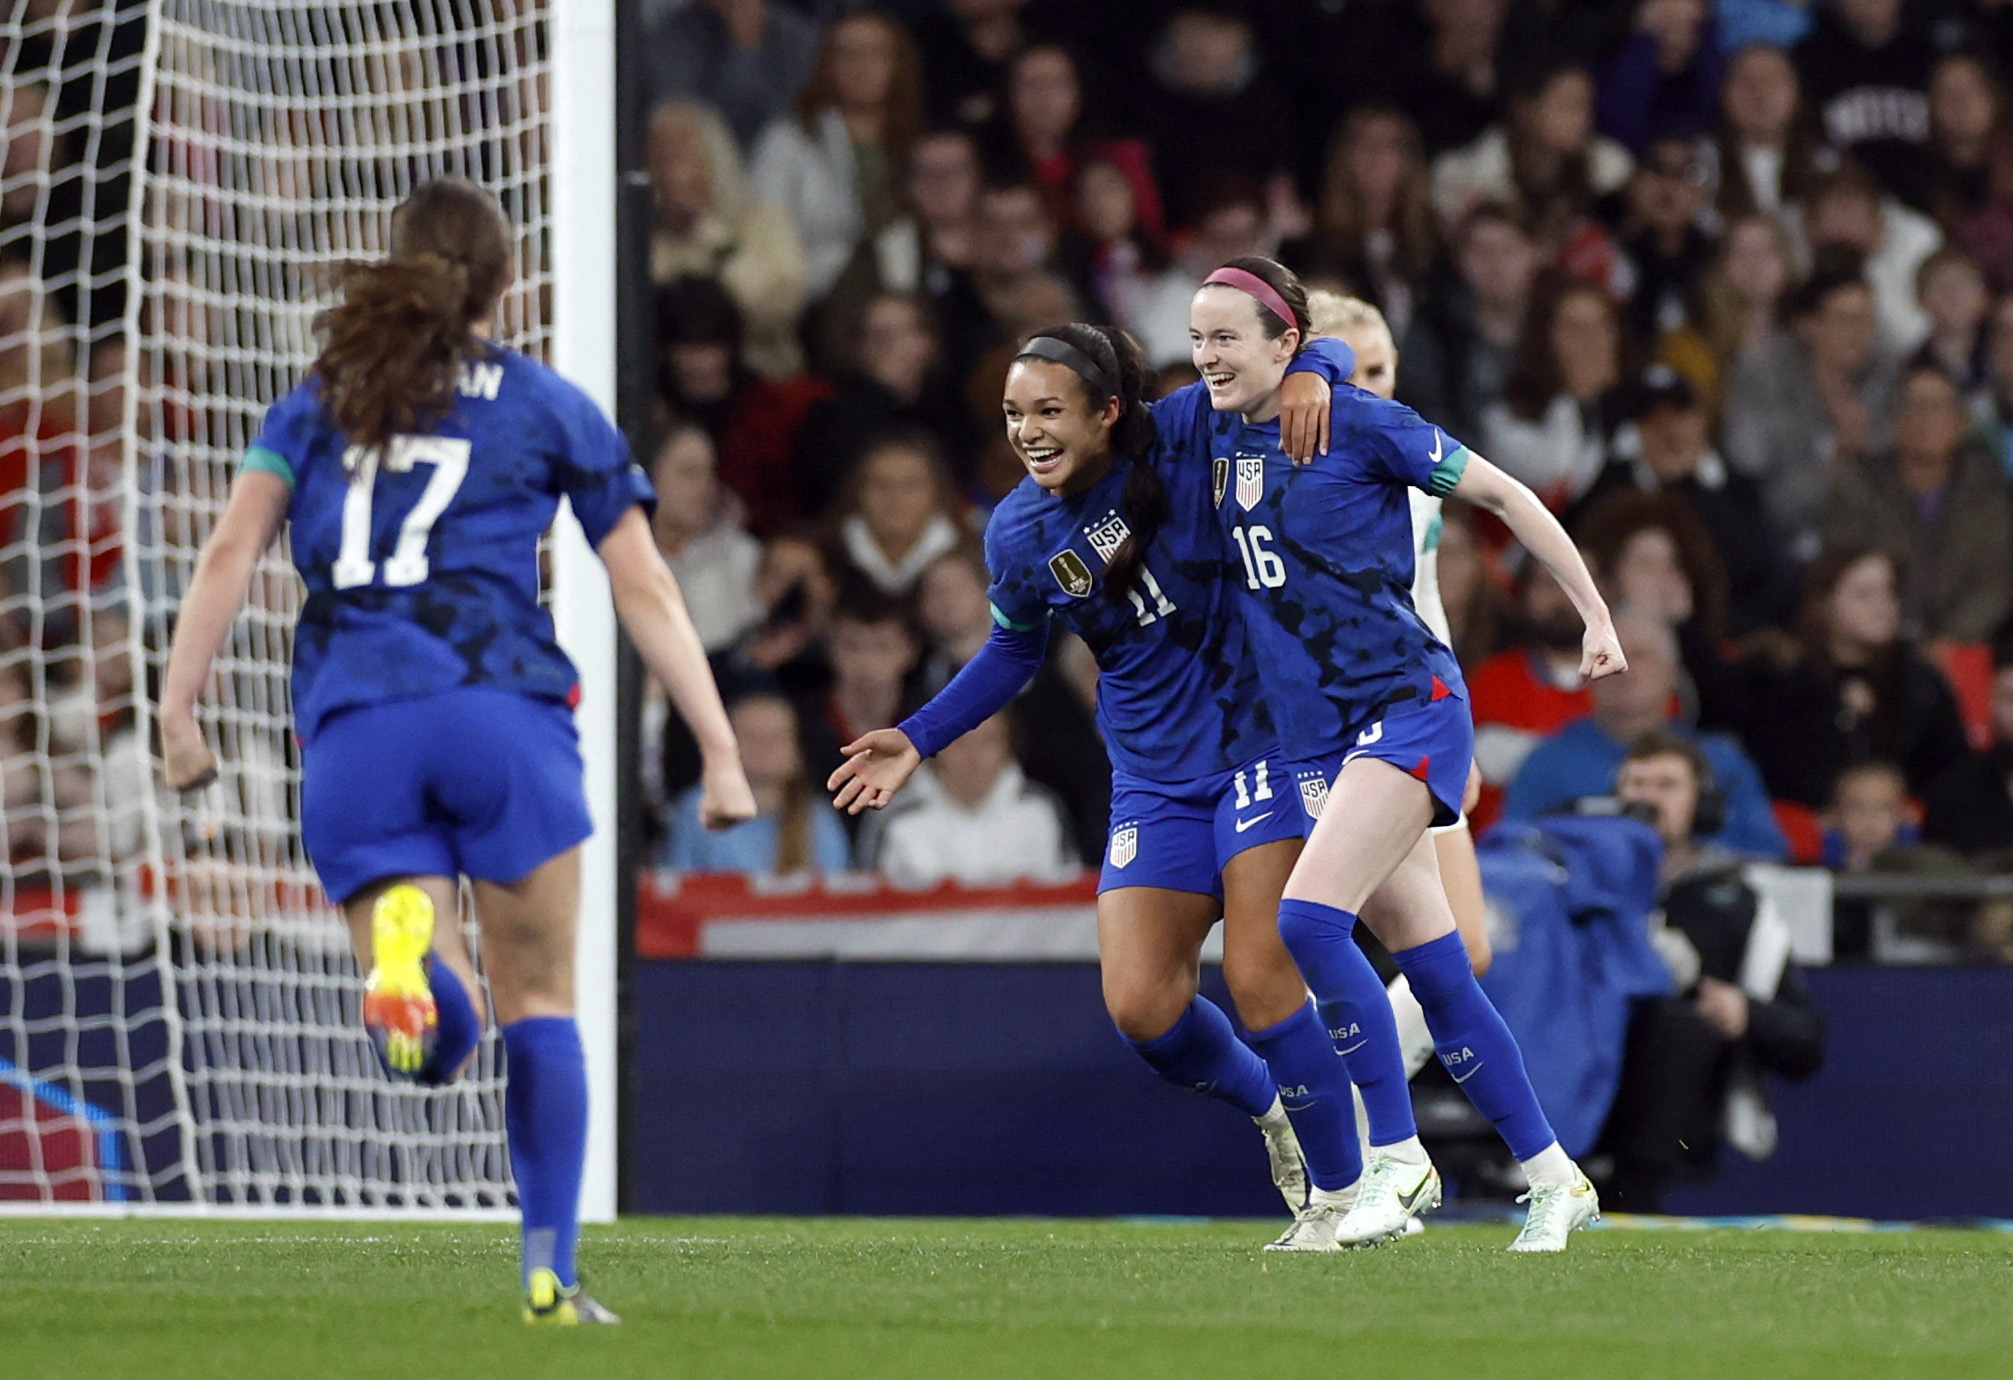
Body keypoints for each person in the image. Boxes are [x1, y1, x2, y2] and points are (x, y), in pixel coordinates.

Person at [156, 178, 756, 1323]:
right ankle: (548, 1269)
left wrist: (181, 714)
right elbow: (644, 583)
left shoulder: (322, 398)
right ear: (505, 284)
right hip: (501, 716)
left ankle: (414, 971)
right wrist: (718, 750)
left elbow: (230, 550)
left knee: (431, 1039)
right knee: (542, 1003)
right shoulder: (546, 404)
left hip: (357, 726)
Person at [829, 320, 1381, 1248]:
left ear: (1108, 412)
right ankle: (1271, 1108)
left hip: (1260, 746)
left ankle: (1340, 1196)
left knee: (1258, 978)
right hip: (1152, 777)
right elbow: (1013, 650)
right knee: (1140, 1006)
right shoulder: (1016, 529)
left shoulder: (1182, 432)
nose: (1028, 432)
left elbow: (1301, 349)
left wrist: (1310, 377)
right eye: (1013, 414)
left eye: (1049, 410)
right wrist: (919, 738)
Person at [1183, 254, 1623, 1251]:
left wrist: (1593, 613)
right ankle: (1555, 1177)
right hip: (1316, 736)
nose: (1208, 356)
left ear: (1284, 344)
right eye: (1197, 338)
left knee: (1308, 918)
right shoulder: (1216, 432)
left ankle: (1397, 1156)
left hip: (1406, 709)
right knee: (1442, 970)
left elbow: (1506, 497)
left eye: (1227, 338)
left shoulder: (1364, 422)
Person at [1604, 730, 1823, 1211]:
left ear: (1701, 803)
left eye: (1667, 785)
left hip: (1679, 1112)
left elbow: (1805, 1040)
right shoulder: (1580, 884)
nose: (1649, 799)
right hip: (1584, 1081)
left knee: (1679, 1028)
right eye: (1636, 784)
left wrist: (1742, 1011)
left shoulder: (1737, 902)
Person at [1503, 609, 1788, 858]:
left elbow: (1770, 860)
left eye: (1640, 656)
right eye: (1606, 656)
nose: (1623, 668)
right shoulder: (1547, 763)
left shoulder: (1723, 763)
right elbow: (1508, 855)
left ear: (1674, 673)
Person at [1818, 364, 2013, 643]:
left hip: (1965, 646)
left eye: (1938, 407)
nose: (1926, 419)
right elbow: (1842, 566)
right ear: (1895, 420)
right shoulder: (1859, 484)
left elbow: (1996, 583)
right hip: (1875, 642)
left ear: (1960, 423)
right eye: (1915, 406)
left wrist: (1949, 641)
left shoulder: (1988, 490)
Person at [861, 711, 1077, 886]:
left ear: (1007, 747)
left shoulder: (1040, 811)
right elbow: (863, 911)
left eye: (987, 742)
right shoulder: (897, 818)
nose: (973, 756)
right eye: (959, 741)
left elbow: (1069, 904)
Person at [660, 691, 850, 876]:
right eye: (749, 735)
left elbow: (836, 895)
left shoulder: (819, 817)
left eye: (776, 736)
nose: (764, 746)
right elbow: (675, 887)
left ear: (797, 750)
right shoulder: (697, 809)